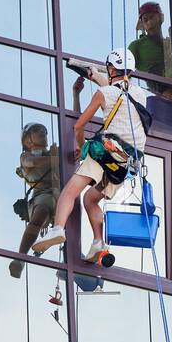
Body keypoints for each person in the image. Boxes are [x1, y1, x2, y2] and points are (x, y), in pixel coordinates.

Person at [33, 49, 149, 262]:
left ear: (111, 68)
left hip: (106, 151)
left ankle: (58, 228)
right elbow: (121, 91)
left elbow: (79, 126)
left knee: (70, 192)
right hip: (127, 163)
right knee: (91, 199)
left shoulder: (103, 94)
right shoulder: (141, 95)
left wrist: (81, 148)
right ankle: (98, 242)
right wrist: (96, 75)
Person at [9, 122, 60, 279]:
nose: (43, 133)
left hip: (60, 195)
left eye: (44, 131)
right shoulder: (26, 156)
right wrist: (56, 158)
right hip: (42, 196)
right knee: (41, 212)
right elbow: (33, 162)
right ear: (27, 140)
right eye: (37, 131)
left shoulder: (54, 153)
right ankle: (20, 258)